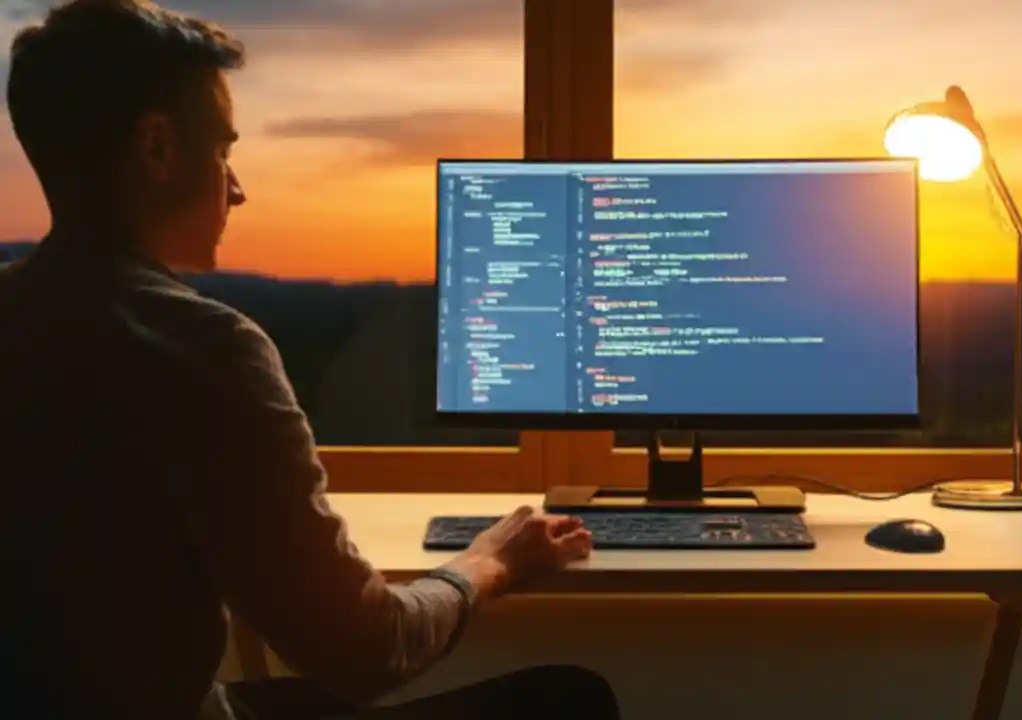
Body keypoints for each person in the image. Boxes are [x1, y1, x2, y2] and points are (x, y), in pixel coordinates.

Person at [0, 1, 617, 718]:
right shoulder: (200, 350)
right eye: (223, 150)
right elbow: (370, 651)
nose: (237, 188)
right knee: (569, 700)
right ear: (159, 148)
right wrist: (488, 561)